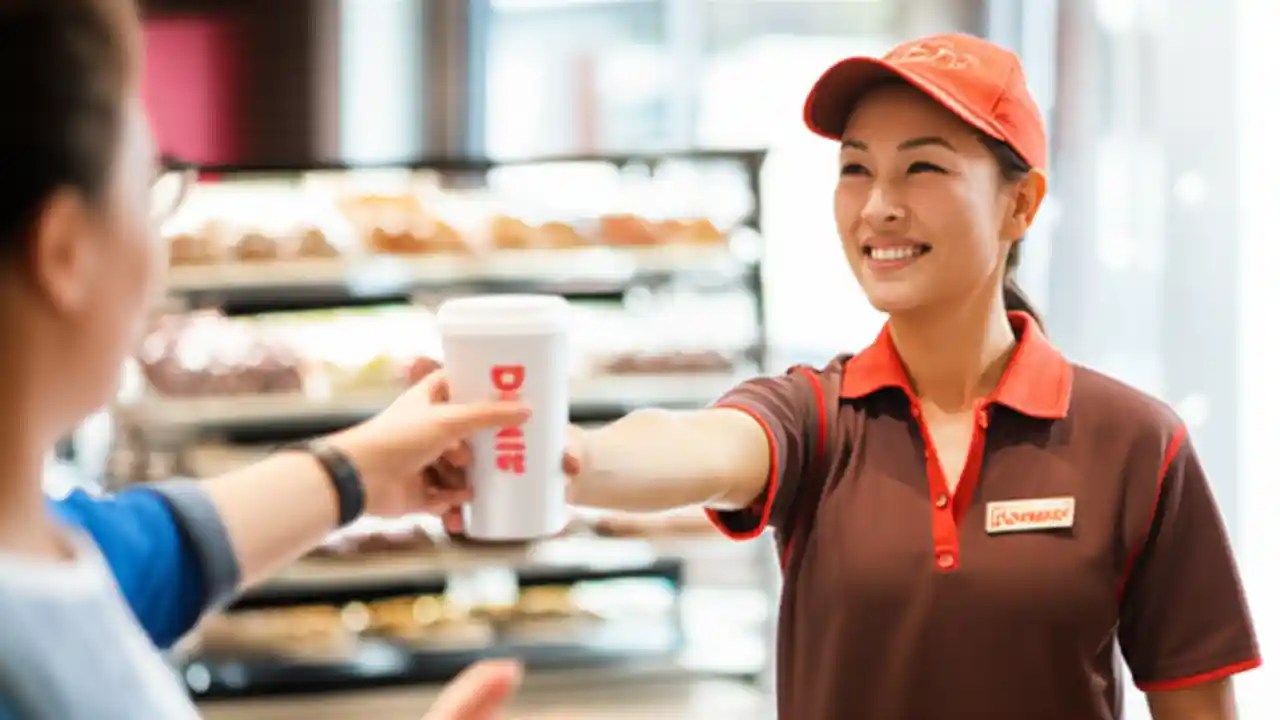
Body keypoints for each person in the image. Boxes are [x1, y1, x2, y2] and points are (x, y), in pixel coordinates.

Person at [557, 33, 1261, 720]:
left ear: (1020, 204)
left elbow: (1196, 704)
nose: (877, 207)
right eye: (856, 169)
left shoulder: (1134, 441)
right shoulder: (816, 420)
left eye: (922, 168)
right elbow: (695, 447)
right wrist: (562, 457)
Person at [0, 1, 521, 718]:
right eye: (153, 188)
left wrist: (359, 470)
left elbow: (136, 556)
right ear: (65, 252)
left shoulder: (33, 542)